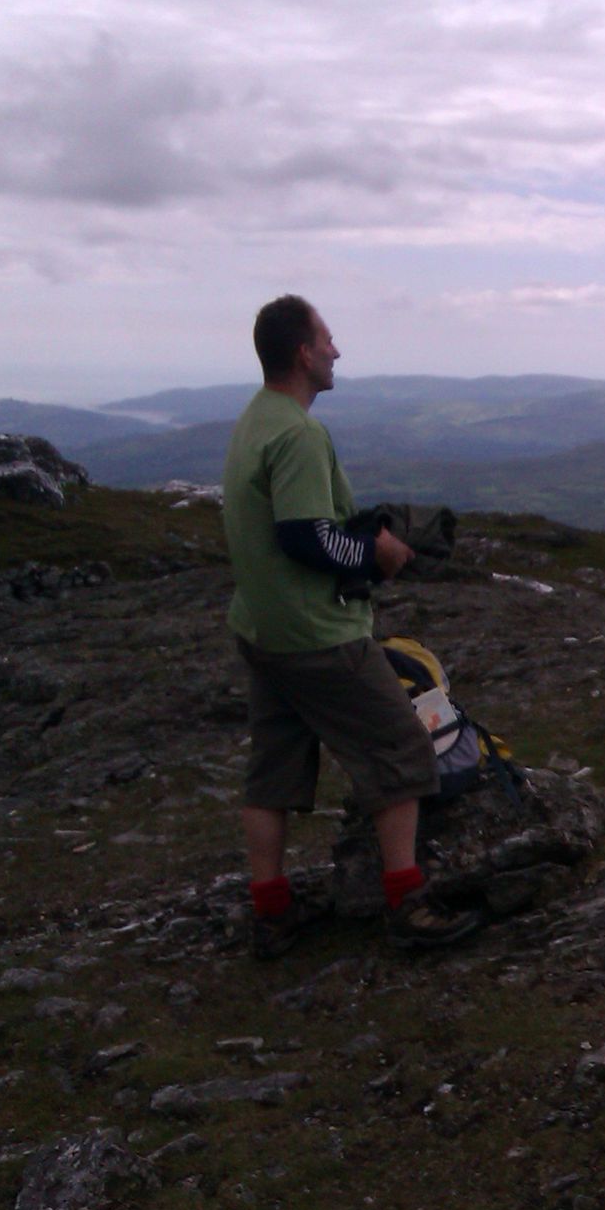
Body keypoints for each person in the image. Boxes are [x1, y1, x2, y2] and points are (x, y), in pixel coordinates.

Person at [221, 294, 480, 957]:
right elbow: (306, 538)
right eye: (328, 340)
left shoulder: (256, 419)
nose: (337, 351)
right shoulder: (299, 434)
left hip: (262, 630)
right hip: (316, 635)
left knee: (272, 771)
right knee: (402, 748)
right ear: (304, 353)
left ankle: (271, 911)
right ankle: (407, 901)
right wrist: (377, 553)